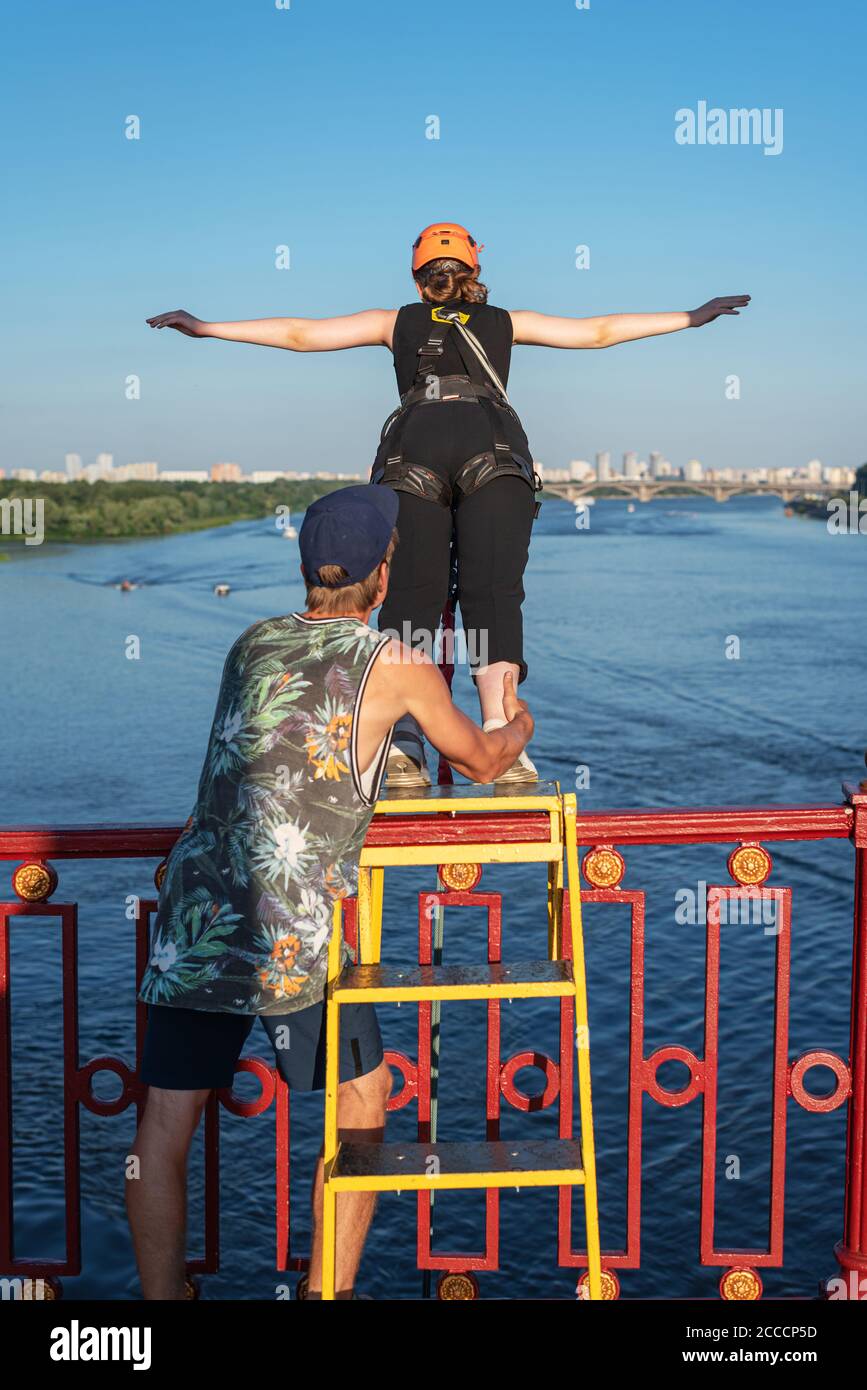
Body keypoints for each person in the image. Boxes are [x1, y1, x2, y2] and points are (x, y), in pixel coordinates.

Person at [147, 222, 749, 787]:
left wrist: (206, 328)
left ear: (416, 278)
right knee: (491, 593)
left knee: (413, 594)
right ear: (475, 268)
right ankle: (498, 731)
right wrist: (692, 318)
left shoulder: (394, 321)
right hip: (495, 450)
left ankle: (407, 742)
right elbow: (596, 332)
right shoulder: (506, 321)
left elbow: (301, 335)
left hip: (413, 455)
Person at [128, 483, 534, 1300]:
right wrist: (516, 722)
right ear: (383, 576)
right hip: (289, 935)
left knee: (162, 1129)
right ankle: (328, 1292)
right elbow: (482, 762)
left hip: (194, 914)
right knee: (360, 1100)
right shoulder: (395, 663)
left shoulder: (249, 642)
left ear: (307, 571)